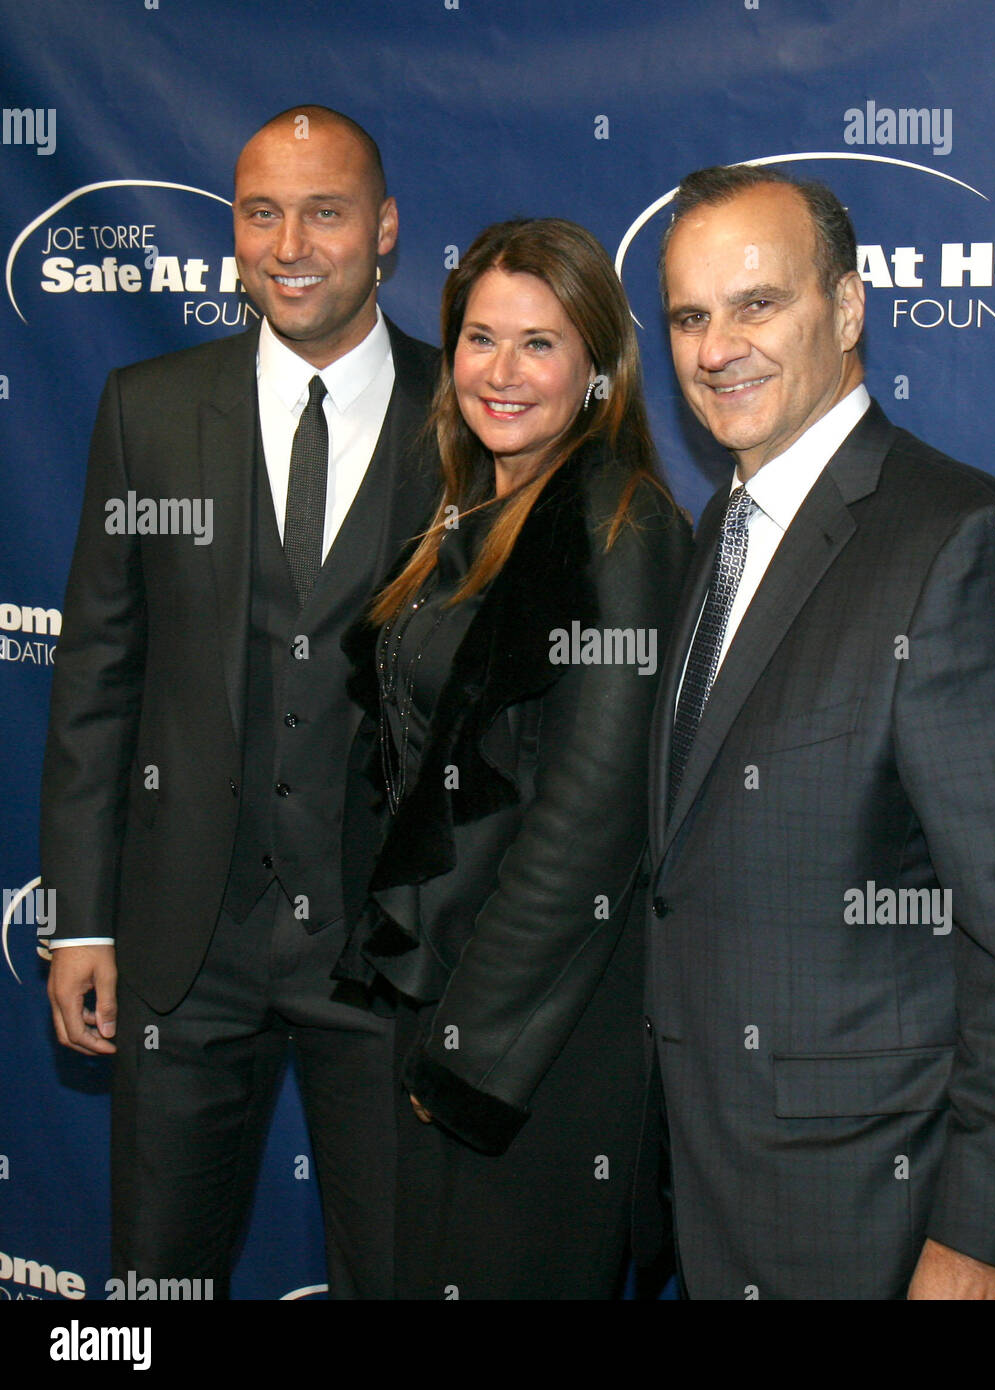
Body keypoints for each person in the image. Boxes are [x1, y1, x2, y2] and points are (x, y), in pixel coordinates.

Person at [639, 164, 995, 1299]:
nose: (717, 349)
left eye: (759, 304)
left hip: (881, 1218)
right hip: (716, 1184)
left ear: (847, 312)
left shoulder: (958, 540)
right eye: (690, 317)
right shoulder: (724, 523)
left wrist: (982, 1246)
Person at [41, 105, 439, 1298]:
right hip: (184, 942)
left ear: (384, 231)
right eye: (260, 212)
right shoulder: (148, 410)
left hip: (391, 951)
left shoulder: (474, 414)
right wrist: (81, 920)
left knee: (404, 1275)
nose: (289, 241)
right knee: (155, 1282)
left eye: (324, 210)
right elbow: (96, 680)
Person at [335, 216, 691, 1299]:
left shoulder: (617, 524)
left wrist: (471, 1054)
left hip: (533, 1050)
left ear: (598, 368)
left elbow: (588, 826)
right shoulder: (471, 509)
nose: (502, 370)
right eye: (480, 338)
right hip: (437, 1011)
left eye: (540, 343)